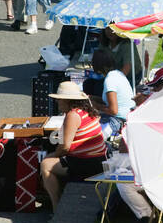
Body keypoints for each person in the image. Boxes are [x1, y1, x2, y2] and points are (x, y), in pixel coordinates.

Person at [39, 81, 107, 210]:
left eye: (59, 100)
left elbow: (65, 147)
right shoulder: (87, 111)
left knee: (46, 164)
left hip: (86, 163)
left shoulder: (73, 115)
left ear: (67, 100)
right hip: (98, 159)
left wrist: (52, 155)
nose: (58, 103)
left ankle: (56, 206)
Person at [94, 47, 134, 135]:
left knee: (91, 132)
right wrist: (92, 98)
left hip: (118, 120)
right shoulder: (118, 74)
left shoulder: (110, 80)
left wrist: (95, 106)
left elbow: (113, 110)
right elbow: (114, 99)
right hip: (126, 116)